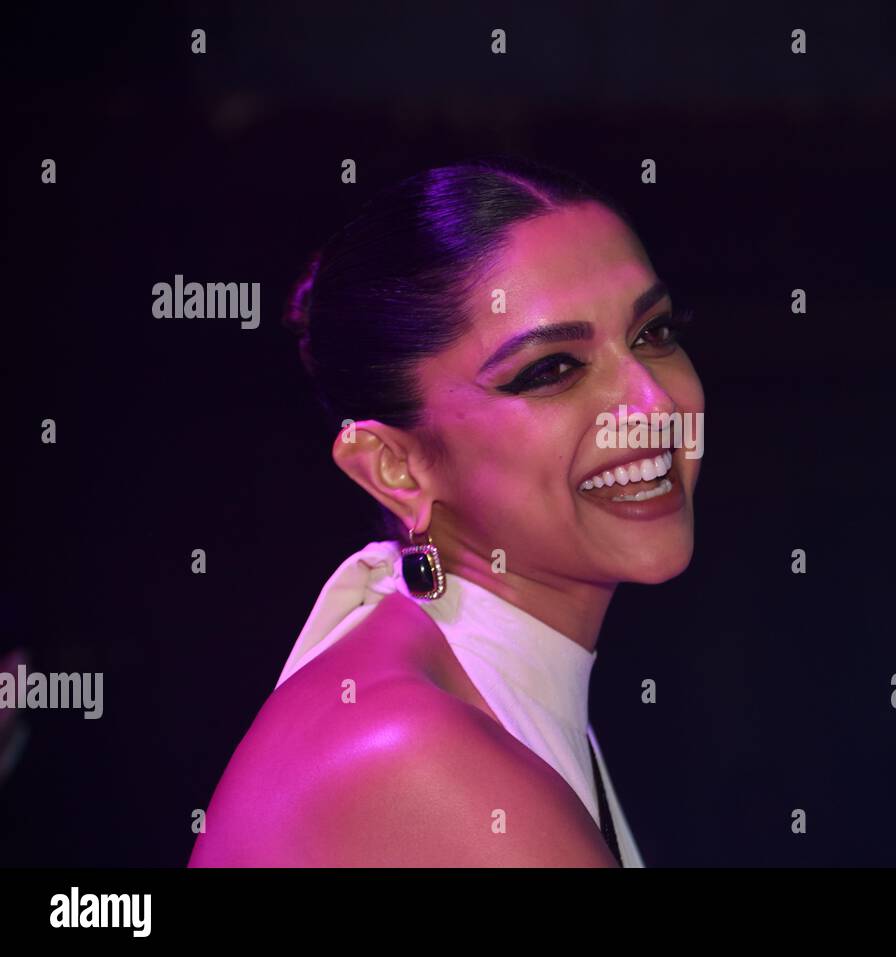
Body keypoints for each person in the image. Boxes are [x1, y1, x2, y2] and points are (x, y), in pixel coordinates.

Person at [188, 157, 705, 867]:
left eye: (654, 333)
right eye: (552, 368)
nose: (653, 405)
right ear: (395, 468)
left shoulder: (466, 682)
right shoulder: (415, 756)